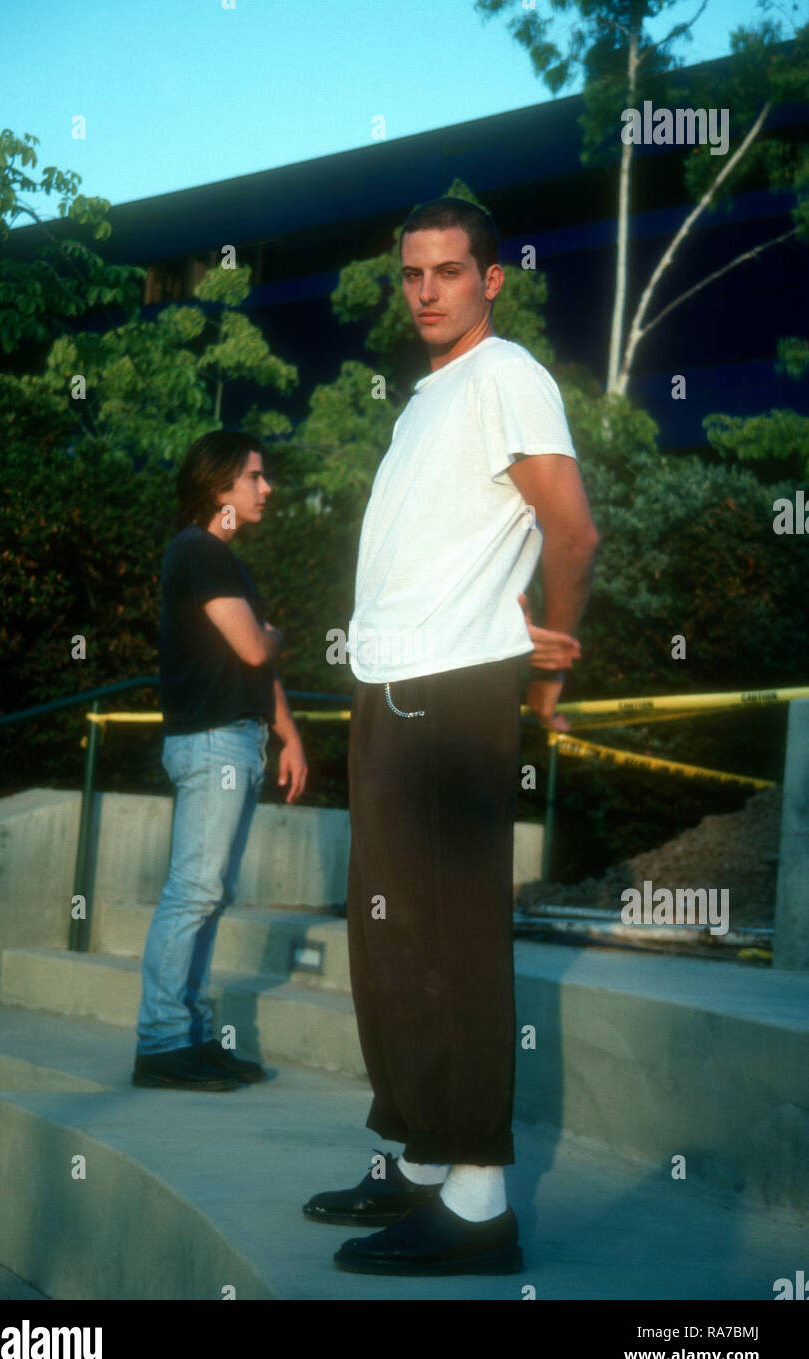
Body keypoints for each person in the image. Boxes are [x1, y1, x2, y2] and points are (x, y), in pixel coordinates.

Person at [302, 198, 599, 1275]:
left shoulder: (505, 375)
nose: (426, 289)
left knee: (448, 944)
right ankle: (423, 1162)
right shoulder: (430, 398)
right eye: (412, 273)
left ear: (491, 280)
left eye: (448, 270)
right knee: (391, 943)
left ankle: (479, 1205)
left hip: (450, 695)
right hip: (396, 691)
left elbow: (570, 527)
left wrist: (549, 656)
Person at [133, 430, 307, 1091]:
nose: (268, 489)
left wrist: (289, 737)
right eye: (255, 478)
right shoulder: (198, 551)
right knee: (194, 892)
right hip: (210, 742)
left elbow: (254, 663)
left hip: (236, 739)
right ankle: (162, 1043)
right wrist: (277, 633)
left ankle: (193, 1035)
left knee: (211, 894)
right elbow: (258, 649)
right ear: (219, 488)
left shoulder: (224, 561)